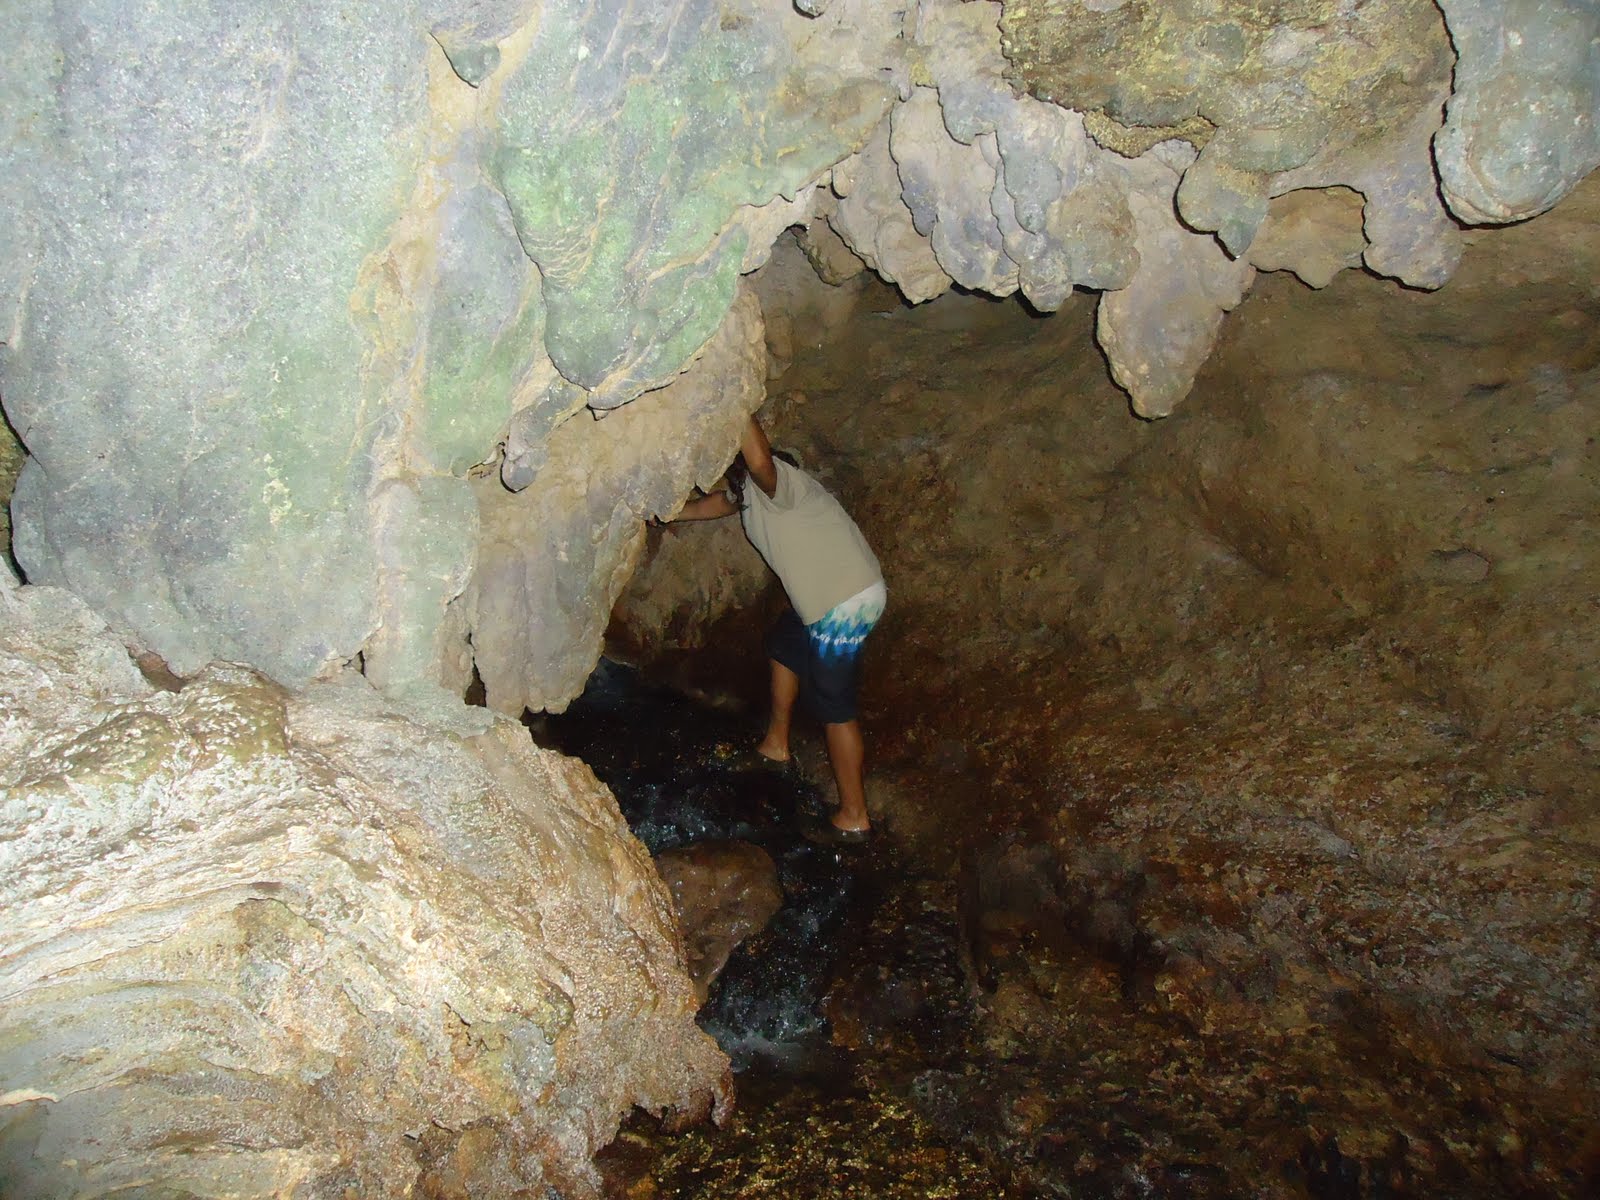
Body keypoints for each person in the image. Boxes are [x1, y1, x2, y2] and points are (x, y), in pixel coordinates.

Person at [668, 415, 886, 845]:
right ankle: (776, 744)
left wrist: (736, 408)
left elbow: (762, 463)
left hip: (844, 606)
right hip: (829, 606)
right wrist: (662, 515)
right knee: (785, 643)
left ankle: (853, 816)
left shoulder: (783, 485)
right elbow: (711, 506)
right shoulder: (750, 497)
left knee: (834, 706)